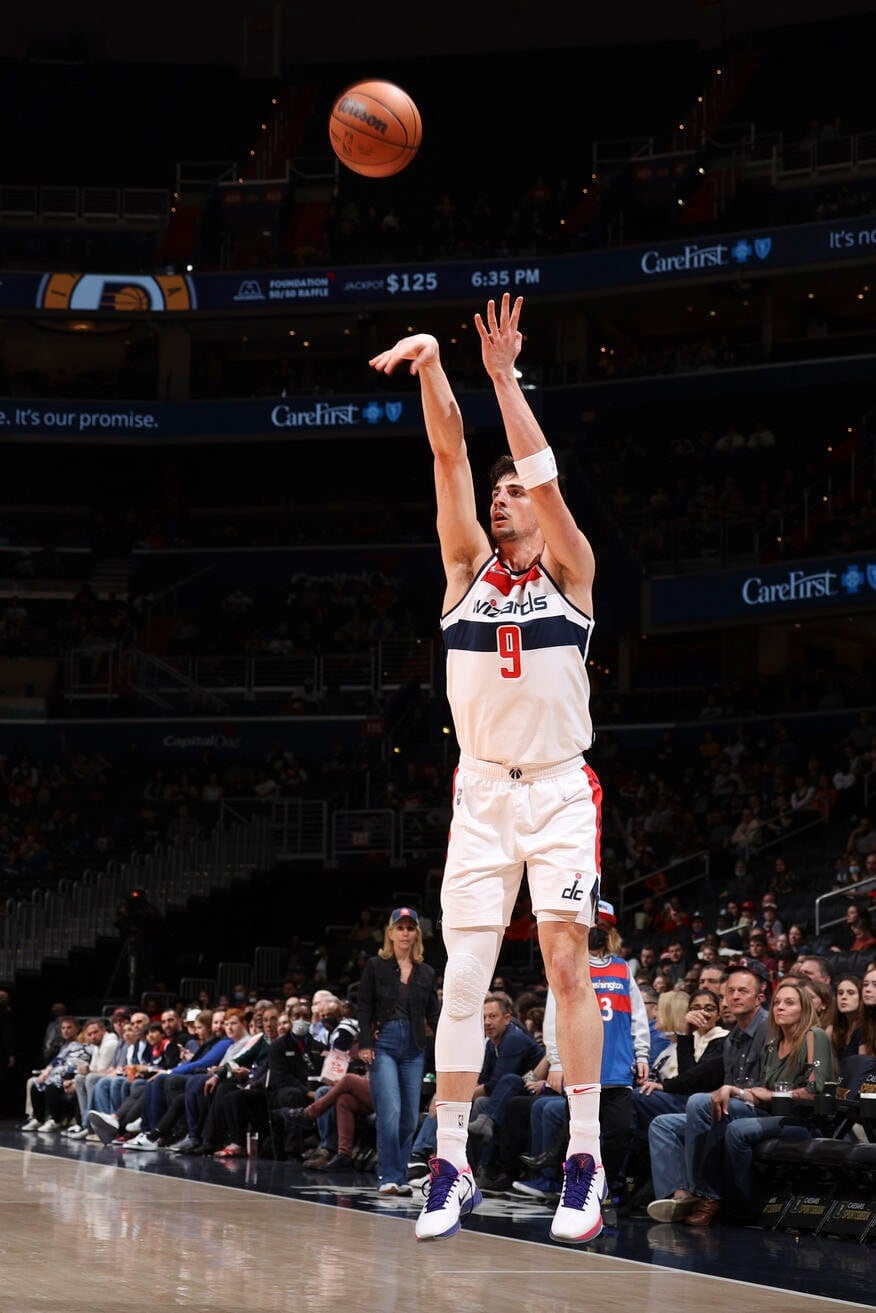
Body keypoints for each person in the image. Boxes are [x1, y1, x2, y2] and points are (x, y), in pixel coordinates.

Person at [370, 293, 604, 1245]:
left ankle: (584, 1161)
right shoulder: (466, 573)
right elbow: (450, 457)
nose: (502, 496)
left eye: (515, 495)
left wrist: (504, 376)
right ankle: (451, 1163)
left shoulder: (571, 571)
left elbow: (539, 469)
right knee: (462, 978)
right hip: (479, 793)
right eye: (498, 493)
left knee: (561, 960)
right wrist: (434, 369)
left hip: (556, 788)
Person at [674, 979, 834, 1225]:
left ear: (804, 1009)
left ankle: (740, 1205)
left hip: (804, 1119)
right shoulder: (773, 1045)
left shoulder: (815, 1036)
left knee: (737, 1129)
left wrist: (765, 1095)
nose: (780, 1007)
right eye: (778, 1002)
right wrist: (734, 1091)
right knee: (710, 1105)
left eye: (789, 1003)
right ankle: (708, 1194)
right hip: (772, 1114)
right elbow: (763, 1092)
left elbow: (815, 1090)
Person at [646, 963, 770, 1222]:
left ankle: (705, 1195)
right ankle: (679, 1196)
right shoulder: (735, 1034)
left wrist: (733, 1093)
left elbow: (765, 1086)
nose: (735, 996)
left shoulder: (768, 1029)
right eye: (731, 991)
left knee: (698, 1102)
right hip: (731, 1103)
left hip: (757, 1106)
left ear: (759, 997)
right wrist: (686, 1035)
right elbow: (693, 1078)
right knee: (662, 1125)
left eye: (743, 991)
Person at [357, 907, 440, 1195]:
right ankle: (388, 1175)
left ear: (417, 933)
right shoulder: (375, 966)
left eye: (410, 928)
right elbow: (364, 1005)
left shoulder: (426, 971)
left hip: (415, 1047)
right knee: (390, 1111)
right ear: (390, 933)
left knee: (408, 1117)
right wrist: (365, 1042)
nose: (405, 932)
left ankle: (401, 1176)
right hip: (385, 1043)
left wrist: (444, 1047)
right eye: (400, 927)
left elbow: (434, 1013)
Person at [826, 976, 863, 1063]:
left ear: (861, 997)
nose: (844, 997)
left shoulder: (866, 1030)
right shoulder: (833, 1030)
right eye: (840, 993)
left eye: (851, 993)